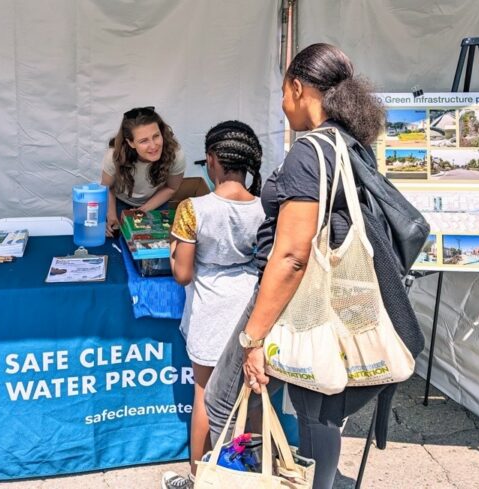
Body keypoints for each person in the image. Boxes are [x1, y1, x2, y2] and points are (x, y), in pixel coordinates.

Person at [203, 43, 389, 489]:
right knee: (318, 409)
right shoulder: (354, 144)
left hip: (295, 298)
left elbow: (291, 255)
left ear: (298, 87)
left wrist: (253, 337)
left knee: (222, 403)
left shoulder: (310, 151)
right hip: (335, 298)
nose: (284, 105)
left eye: (284, 93)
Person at [161, 121, 265, 489]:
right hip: (253, 308)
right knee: (251, 396)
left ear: (212, 160)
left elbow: (183, 274)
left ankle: (198, 477)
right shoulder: (266, 206)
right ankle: (253, 472)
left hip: (209, 309)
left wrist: (174, 251)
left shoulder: (192, 209)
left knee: (204, 395)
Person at [100, 107, 186, 236]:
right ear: (131, 142)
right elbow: (107, 188)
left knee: (157, 240)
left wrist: (142, 210)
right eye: (144, 141)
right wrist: (111, 216)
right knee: (118, 238)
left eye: (156, 136)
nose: (153, 146)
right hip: (119, 201)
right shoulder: (114, 157)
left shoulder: (176, 155)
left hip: (156, 202)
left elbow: (171, 188)